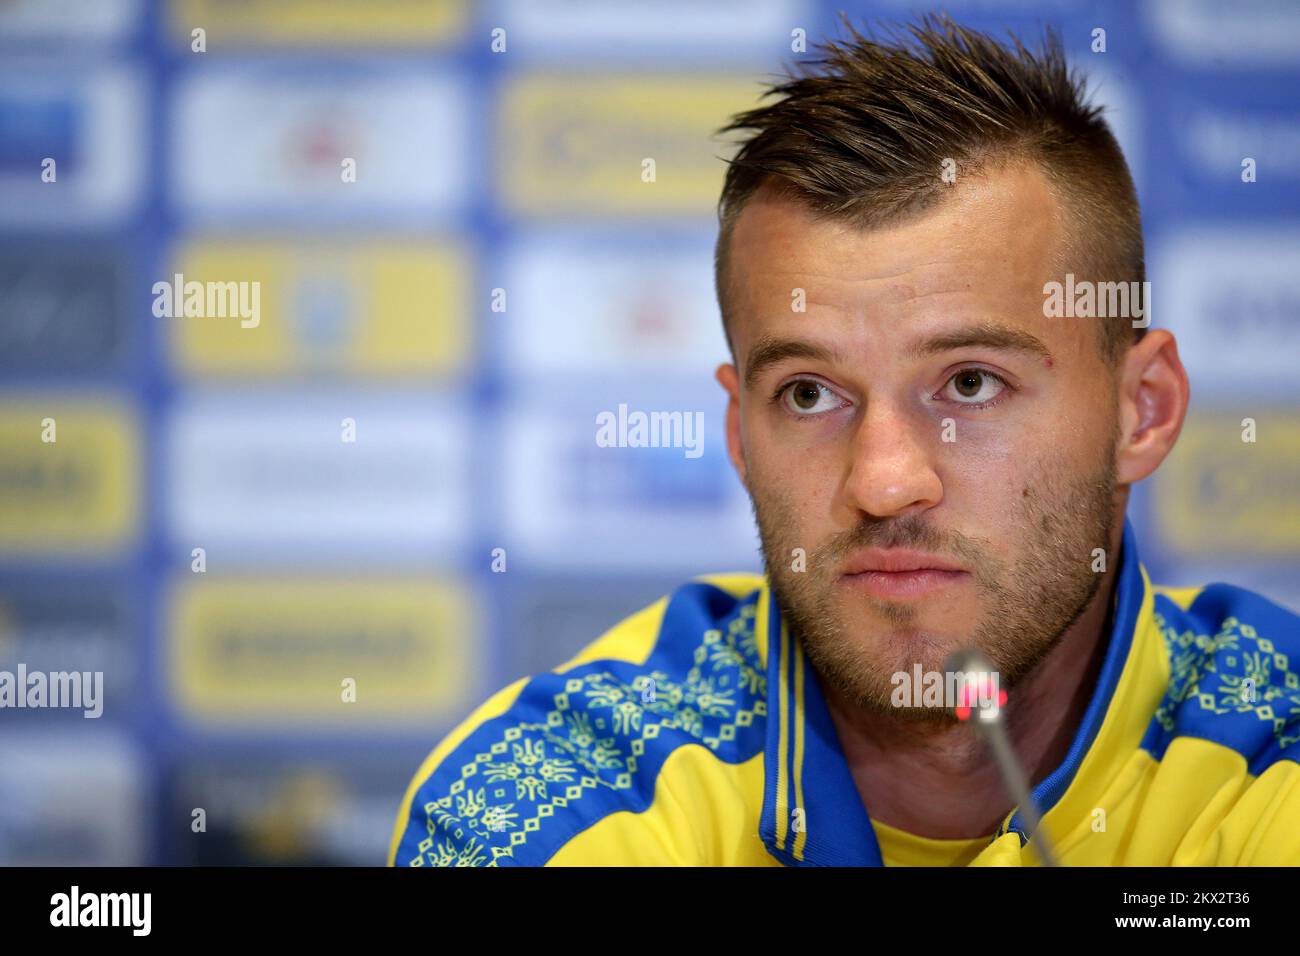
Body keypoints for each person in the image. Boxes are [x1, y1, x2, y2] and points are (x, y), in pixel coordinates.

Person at [389, 14, 1300, 867]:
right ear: (740, 433)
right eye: (810, 393)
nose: (885, 482)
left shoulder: (1276, 758)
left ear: (1142, 410)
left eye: (971, 384)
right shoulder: (556, 798)